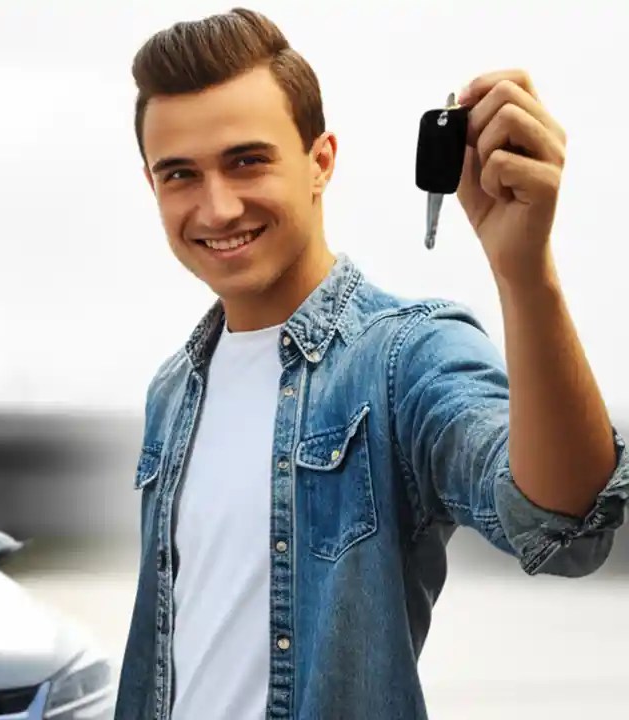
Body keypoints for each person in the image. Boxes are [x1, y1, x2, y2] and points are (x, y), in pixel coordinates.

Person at [113, 8, 629, 720]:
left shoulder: (403, 357)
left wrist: (525, 271)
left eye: (247, 160)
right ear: (152, 185)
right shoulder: (172, 392)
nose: (218, 206)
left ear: (321, 160)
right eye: (180, 174)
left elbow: (562, 524)